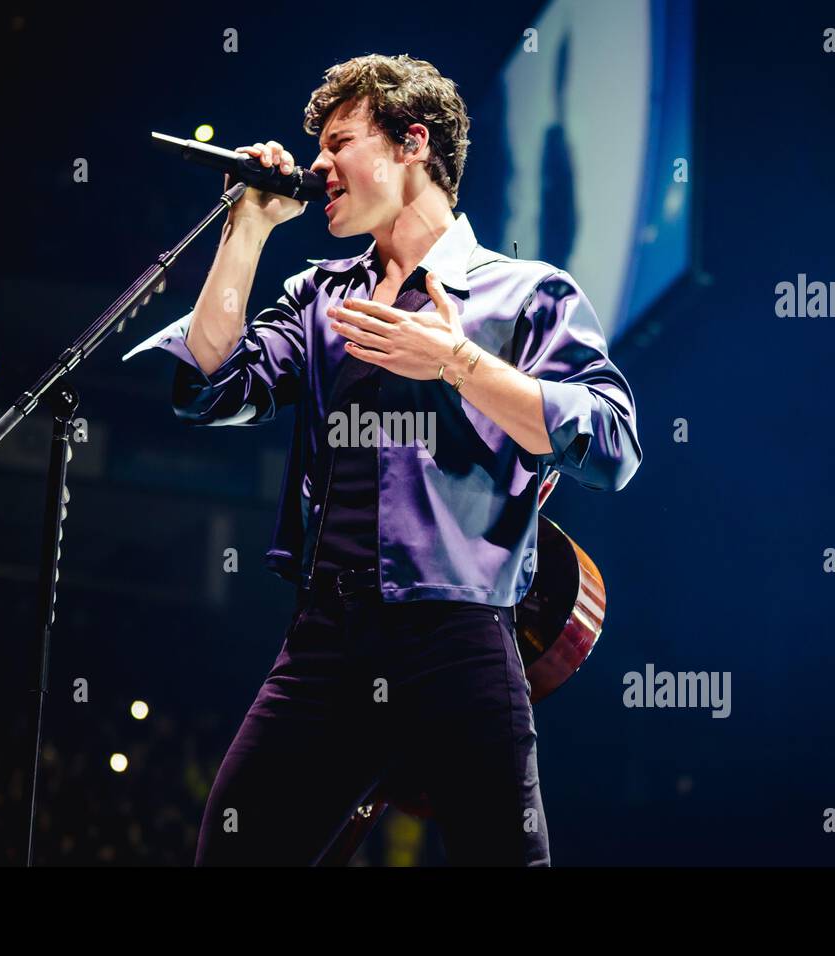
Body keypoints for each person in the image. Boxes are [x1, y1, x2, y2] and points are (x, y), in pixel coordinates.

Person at [123, 53, 641, 866]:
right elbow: (208, 384)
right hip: (328, 636)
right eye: (317, 148)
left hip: (459, 632)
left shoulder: (527, 294)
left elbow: (611, 445)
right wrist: (249, 227)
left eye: (340, 142)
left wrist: (459, 363)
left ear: (412, 144)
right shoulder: (321, 296)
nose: (318, 165)